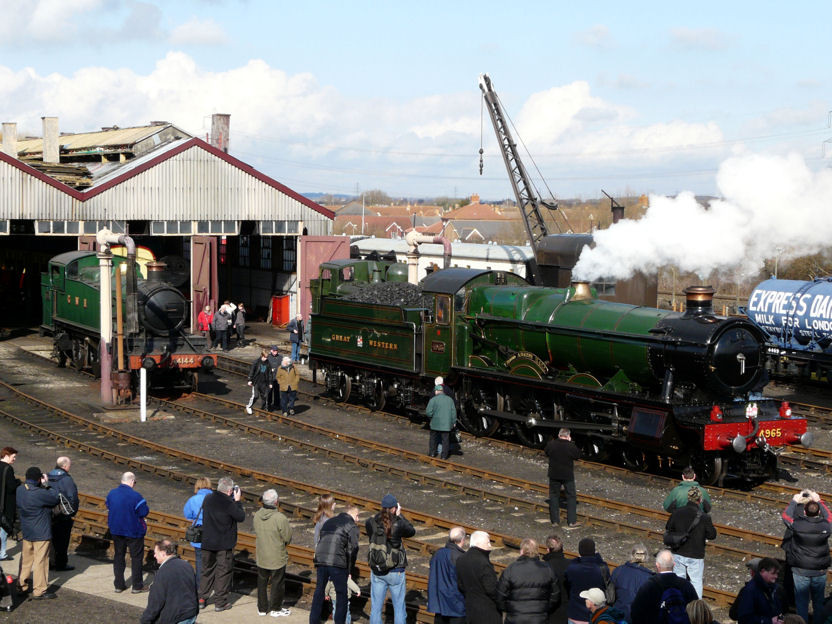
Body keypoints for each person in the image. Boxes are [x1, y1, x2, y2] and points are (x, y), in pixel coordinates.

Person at [781, 490, 830, 624]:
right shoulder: (826, 525)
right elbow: (829, 516)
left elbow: (786, 516)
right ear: (819, 512)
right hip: (819, 570)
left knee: (801, 603)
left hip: (800, 569)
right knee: (818, 603)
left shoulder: (797, 525)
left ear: (804, 512)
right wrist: (819, 501)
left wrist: (794, 501)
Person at [365, 494, 415, 624]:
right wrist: (400, 515)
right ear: (394, 508)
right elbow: (411, 531)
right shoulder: (398, 523)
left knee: (375, 608)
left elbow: (371, 534)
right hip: (395, 569)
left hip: (377, 568)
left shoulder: (371, 522)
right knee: (399, 608)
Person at [199, 476, 244, 612]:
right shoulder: (229, 503)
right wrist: (237, 501)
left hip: (207, 542)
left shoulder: (208, 499)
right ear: (230, 491)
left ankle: (201, 598)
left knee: (206, 570)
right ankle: (220, 602)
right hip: (224, 544)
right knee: (223, 573)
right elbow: (240, 516)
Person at [309, 504, 360, 624]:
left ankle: (313, 621)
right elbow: (353, 549)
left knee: (319, 592)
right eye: (358, 516)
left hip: (321, 559)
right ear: (353, 514)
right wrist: (349, 569)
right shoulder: (351, 525)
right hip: (337, 562)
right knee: (341, 595)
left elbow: (321, 539)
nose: (358, 520)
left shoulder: (330, 521)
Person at [666, 486, 717, 599]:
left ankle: (678, 604)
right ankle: (696, 608)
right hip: (696, 555)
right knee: (696, 582)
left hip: (678, 552)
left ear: (688, 498)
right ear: (700, 500)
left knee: (679, 580)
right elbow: (712, 535)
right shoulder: (704, 517)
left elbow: (668, 527)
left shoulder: (677, 513)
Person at [16, 466, 59, 600]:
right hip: (41, 532)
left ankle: (22, 584)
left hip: (27, 530)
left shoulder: (20, 490)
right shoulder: (40, 493)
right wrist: (47, 485)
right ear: (39, 479)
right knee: (41, 561)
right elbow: (54, 498)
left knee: (26, 560)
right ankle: (39, 590)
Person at [497, 537, 560, 623]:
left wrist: (510, 609)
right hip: (539, 619)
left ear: (522, 551)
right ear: (537, 551)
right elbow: (555, 595)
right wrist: (545, 608)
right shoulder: (547, 569)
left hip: (515, 618)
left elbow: (500, 596)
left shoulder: (511, 569)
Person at [106, 471, 150, 594]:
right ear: (132, 481)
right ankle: (137, 585)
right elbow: (144, 512)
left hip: (116, 530)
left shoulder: (112, 494)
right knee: (136, 558)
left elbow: (108, 506)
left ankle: (119, 585)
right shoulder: (136, 497)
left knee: (119, 556)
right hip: (133, 531)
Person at [630, 549, 698, 624]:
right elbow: (697, 610)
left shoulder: (649, 586)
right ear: (674, 565)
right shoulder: (686, 585)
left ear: (657, 565)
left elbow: (636, 612)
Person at [140, 539, 199, 624]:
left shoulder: (163, 572)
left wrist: (145, 620)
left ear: (163, 553)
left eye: (156, 553)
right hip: (190, 614)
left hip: (175, 618)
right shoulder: (187, 566)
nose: (154, 556)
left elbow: (156, 601)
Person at [253, 489, 292, 617]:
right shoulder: (280, 518)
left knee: (262, 582)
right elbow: (287, 537)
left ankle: (262, 608)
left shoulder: (257, 515)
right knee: (277, 583)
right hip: (277, 557)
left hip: (262, 555)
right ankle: (276, 608)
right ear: (276, 502)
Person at [456, 530, 501, 624]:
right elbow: (491, 589)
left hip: (470, 608)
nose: (490, 545)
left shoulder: (461, 559)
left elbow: (460, 585)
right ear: (478, 544)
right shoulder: (484, 563)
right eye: (488, 542)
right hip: (487, 612)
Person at [564, 538, 609, 624]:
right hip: (595, 614)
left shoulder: (572, 569)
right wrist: (597, 556)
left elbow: (567, 580)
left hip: (575, 614)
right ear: (594, 551)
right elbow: (602, 564)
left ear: (580, 552)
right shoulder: (602, 569)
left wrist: (579, 559)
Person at [427, 526, 466, 624]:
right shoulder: (460, 557)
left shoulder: (438, 553)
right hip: (456, 604)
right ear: (462, 540)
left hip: (440, 602)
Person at [545, 428, 581, 529]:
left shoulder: (551, 444)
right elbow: (577, 456)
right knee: (571, 496)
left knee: (554, 496)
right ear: (568, 436)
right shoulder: (571, 446)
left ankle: (555, 521)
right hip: (567, 475)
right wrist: (570, 442)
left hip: (554, 474)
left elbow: (546, 453)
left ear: (559, 435)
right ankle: (571, 521)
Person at [47, 456, 78, 571]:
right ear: (65, 466)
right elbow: (73, 498)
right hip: (63, 515)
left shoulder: (48, 475)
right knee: (63, 541)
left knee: (51, 540)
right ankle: (61, 564)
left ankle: (50, 562)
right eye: (69, 465)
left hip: (50, 513)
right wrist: (72, 512)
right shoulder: (67, 479)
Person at [610, 543, 653, 622]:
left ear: (631, 555)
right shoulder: (650, 577)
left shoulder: (618, 570)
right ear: (646, 557)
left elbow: (611, 595)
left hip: (619, 615)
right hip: (638, 618)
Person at [735, 557, 783, 624]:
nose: (776, 576)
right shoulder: (750, 590)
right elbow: (744, 619)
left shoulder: (772, 588)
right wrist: (769, 621)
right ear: (763, 571)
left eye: (777, 573)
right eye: (773, 573)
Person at [182, 477, 212, 585]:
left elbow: (187, 515)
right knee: (212, 563)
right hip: (213, 535)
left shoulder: (193, 500)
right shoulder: (214, 498)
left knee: (200, 563)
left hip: (198, 536)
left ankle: (200, 592)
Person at [542, 534, 570, 624]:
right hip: (567, 609)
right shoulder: (570, 565)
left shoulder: (545, 566)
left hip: (551, 611)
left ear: (548, 549)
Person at [426, 384, 456, 460]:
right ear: (442, 391)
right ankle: (444, 456)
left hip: (435, 423)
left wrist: (431, 418)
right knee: (445, 440)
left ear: (436, 391)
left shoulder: (433, 400)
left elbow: (428, 412)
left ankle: (432, 453)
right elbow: (453, 413)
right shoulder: (450, 400)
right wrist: (453, 422)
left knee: (433, 438)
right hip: (446, 425)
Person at [0, 447, 18, 562]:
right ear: (7, 455)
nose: (14, 459)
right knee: (3, 529)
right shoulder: (8, 469)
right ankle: (2, 553)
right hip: (4, 504)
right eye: (13, 457)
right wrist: (18, 482)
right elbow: (11, 487)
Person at [246, 350, 273, 415]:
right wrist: (250, 380)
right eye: (265, 357)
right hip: (256, 382)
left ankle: (263, 407)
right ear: (262, 356)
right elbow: (252, 371)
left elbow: (270, 374)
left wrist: (270, 383)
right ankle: (249, 406)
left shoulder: (268, 363)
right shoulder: (256, 362)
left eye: (267, 357)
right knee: (255, 396)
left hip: (264, 382)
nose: (266, 359)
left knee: (264, 396)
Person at [267, 345, 282, 410]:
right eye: (274, 351)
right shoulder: (268, 357)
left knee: (277, 392)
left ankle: (277, 404)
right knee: (269, 392)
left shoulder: (280, 357)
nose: (275, 352)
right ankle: (269, 404)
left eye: (276, 351)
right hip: (269, 378)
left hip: (277, 378)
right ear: (271, 350)